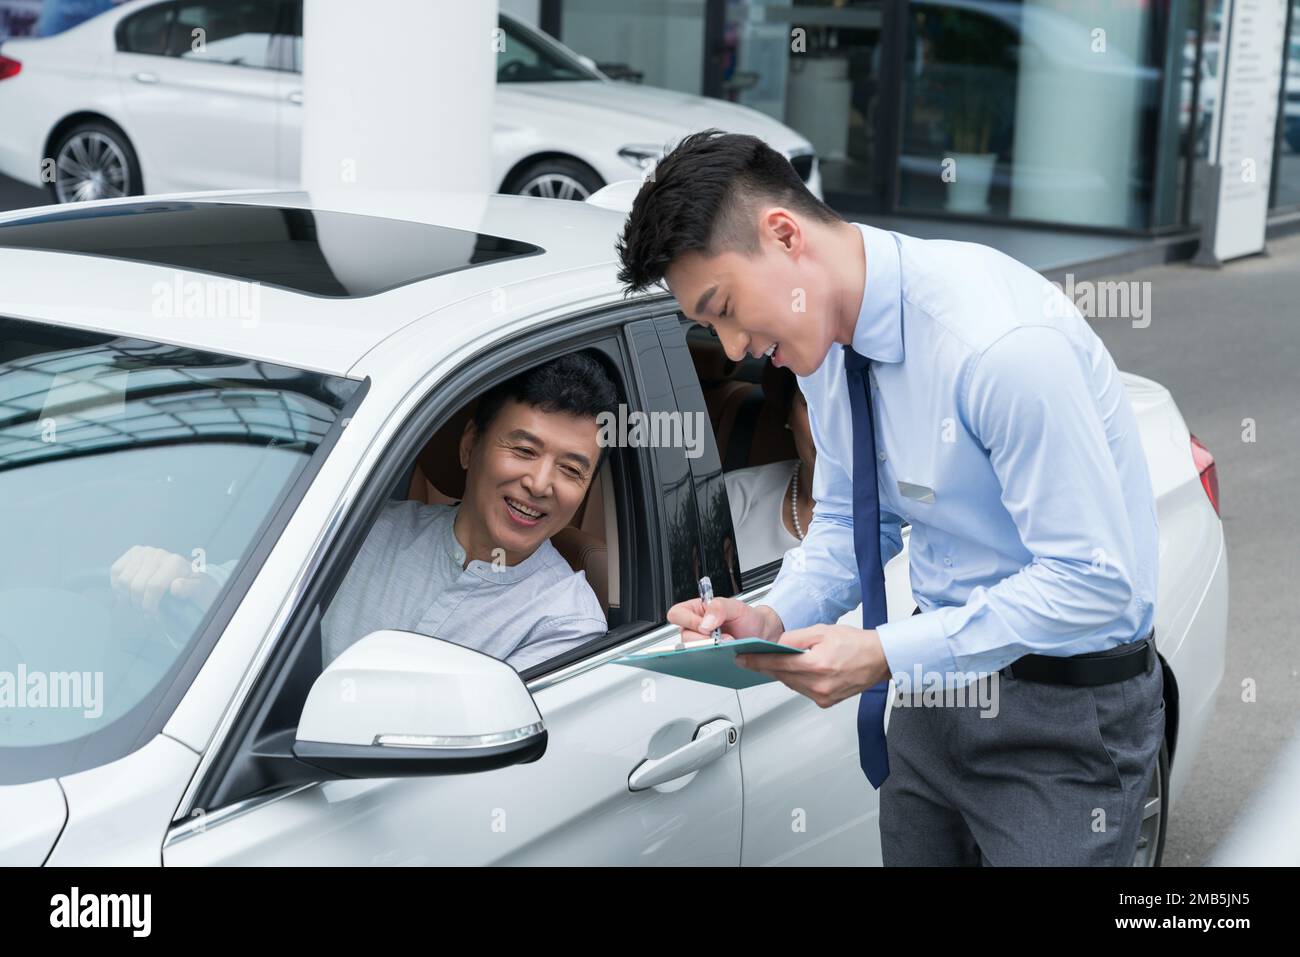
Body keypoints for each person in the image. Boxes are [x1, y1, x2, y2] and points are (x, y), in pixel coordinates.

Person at [615, 128, 1163, 866]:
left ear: (783, 235)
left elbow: (1094, 581)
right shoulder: (819, 345)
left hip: (1063, 722)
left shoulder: (999, 347)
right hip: (932, 698)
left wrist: (885, 654)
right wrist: (774, 612)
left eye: (724, 307)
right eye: (710, 326)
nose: (735, 347)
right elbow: (852, 517)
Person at [109, 353, 616, 674]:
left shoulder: (565, 623)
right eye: (523, 450)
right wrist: (182, 584)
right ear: (469, 447)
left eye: (572, 470)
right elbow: (251, 597)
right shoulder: (370, 528)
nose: (541, 483)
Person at [723, 364, 818, 569]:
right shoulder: (735, 495)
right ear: (789, 415)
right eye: (811, 404)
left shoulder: (892, 513)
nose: (827, 426)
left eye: (845, 406)